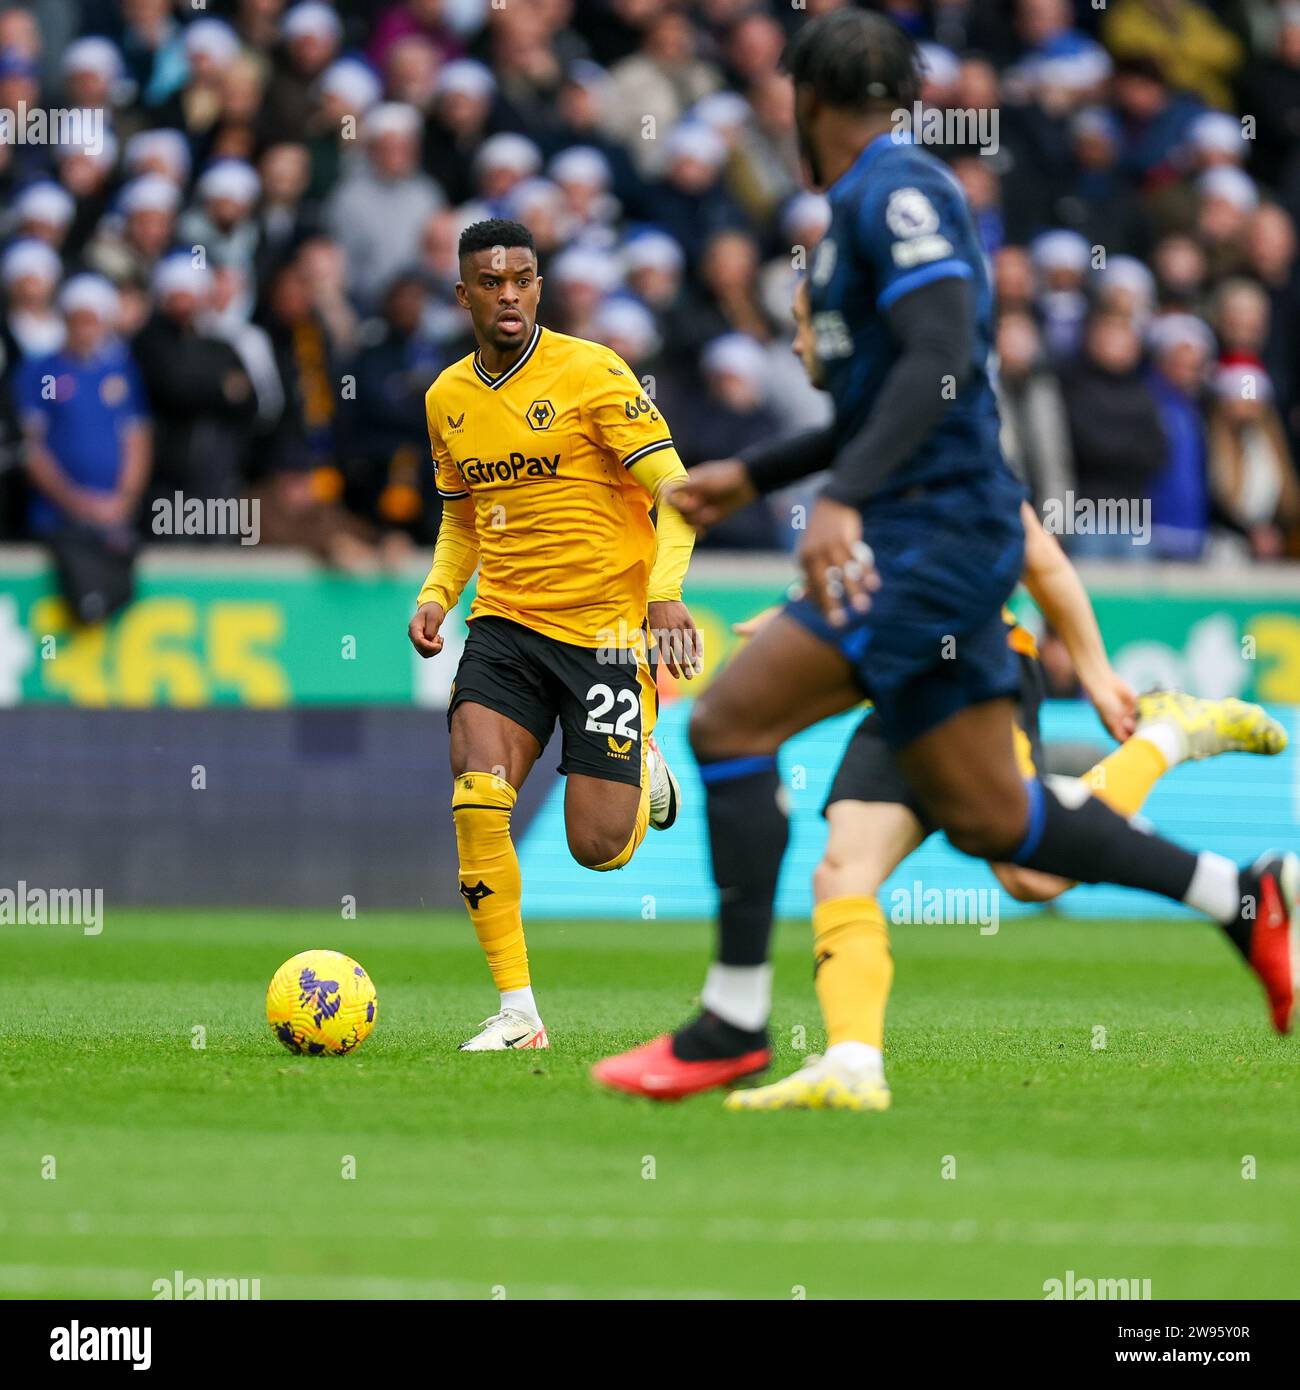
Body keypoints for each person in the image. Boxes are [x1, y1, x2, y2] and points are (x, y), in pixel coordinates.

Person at [592, 10, 1300, 1102]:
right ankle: (1240, 893)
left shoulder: (896, 191)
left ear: (803, 102)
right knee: (997, 825)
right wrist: (760, 472)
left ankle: (732, 1018)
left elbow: (936, 362)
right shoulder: (858, 213)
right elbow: (893, 390)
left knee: (730, 722)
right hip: (937, 541)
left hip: (935, 540)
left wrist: (841, 500)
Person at [719, 282, 1286, 1111]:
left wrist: (1092, 670)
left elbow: (1039, 555)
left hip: (973, 667)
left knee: (1029, 876)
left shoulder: (925, 420)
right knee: (845, 865)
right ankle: (850, 1064)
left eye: (804, 328)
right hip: (900, 674)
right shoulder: (866, 423)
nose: (797, 346)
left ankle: (1169, 742)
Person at [407, 218, 701, 1051]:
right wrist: (437, 594)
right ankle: (518, 1014)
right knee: (477, 793)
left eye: (523, 280)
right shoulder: (446, 400)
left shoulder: (593, 371)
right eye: (491, 282)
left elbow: (676, 491)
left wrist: (666, 596)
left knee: (598, 849)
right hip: (504, 626)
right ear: (463, 294)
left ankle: (639, 754)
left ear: (539, 286)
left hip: (607, 634)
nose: (508, 295)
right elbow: (460, 516)